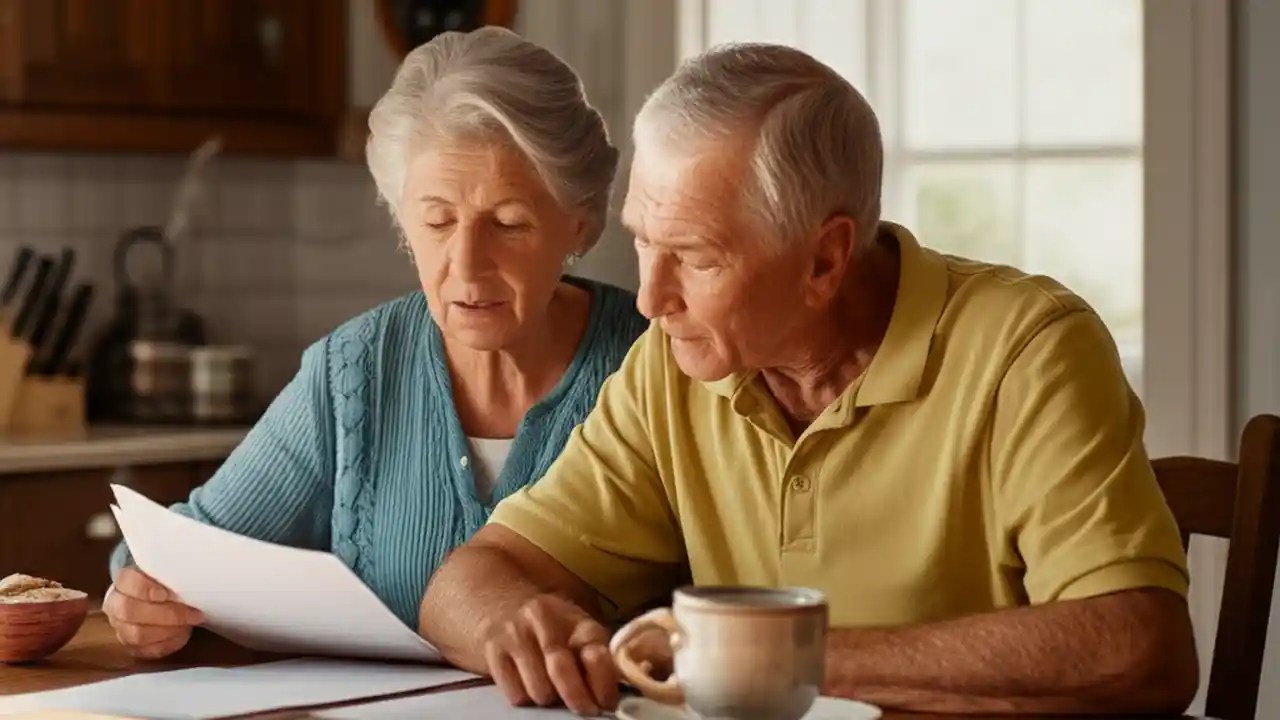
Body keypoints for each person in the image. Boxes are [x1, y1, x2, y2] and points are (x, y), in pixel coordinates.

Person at [419, 43, 1200, 716]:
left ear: (825, 259)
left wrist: (764, 658)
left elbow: (1139, 646)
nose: (651, 299)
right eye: (644, 243)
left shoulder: (1028, 349)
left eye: (694, 257)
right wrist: (513, 625)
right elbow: (470, 579)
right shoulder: (671, 365)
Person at [102, 27, 648, 660]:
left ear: (579, 221)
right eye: (437, 221)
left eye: (508, 223)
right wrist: (140, 593)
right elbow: (186, 547)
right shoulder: (353, 372)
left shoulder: (652, 368)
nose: (467, 266)